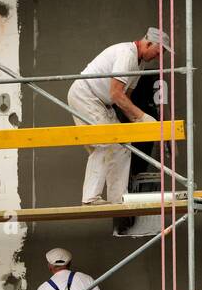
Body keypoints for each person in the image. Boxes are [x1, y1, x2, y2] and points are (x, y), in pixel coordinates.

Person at [67, 29, 171, 205]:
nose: (158, 57)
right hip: (86, 95)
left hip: (102, 102)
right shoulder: (126, 55)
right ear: (148, 44)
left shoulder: (139, 64)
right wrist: (143, 117)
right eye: (158, 52)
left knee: (122, 146)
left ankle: (118, 199)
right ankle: (90, 198)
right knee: (104, 142)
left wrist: (137, 121)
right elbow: (116, 94)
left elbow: (125, 97)